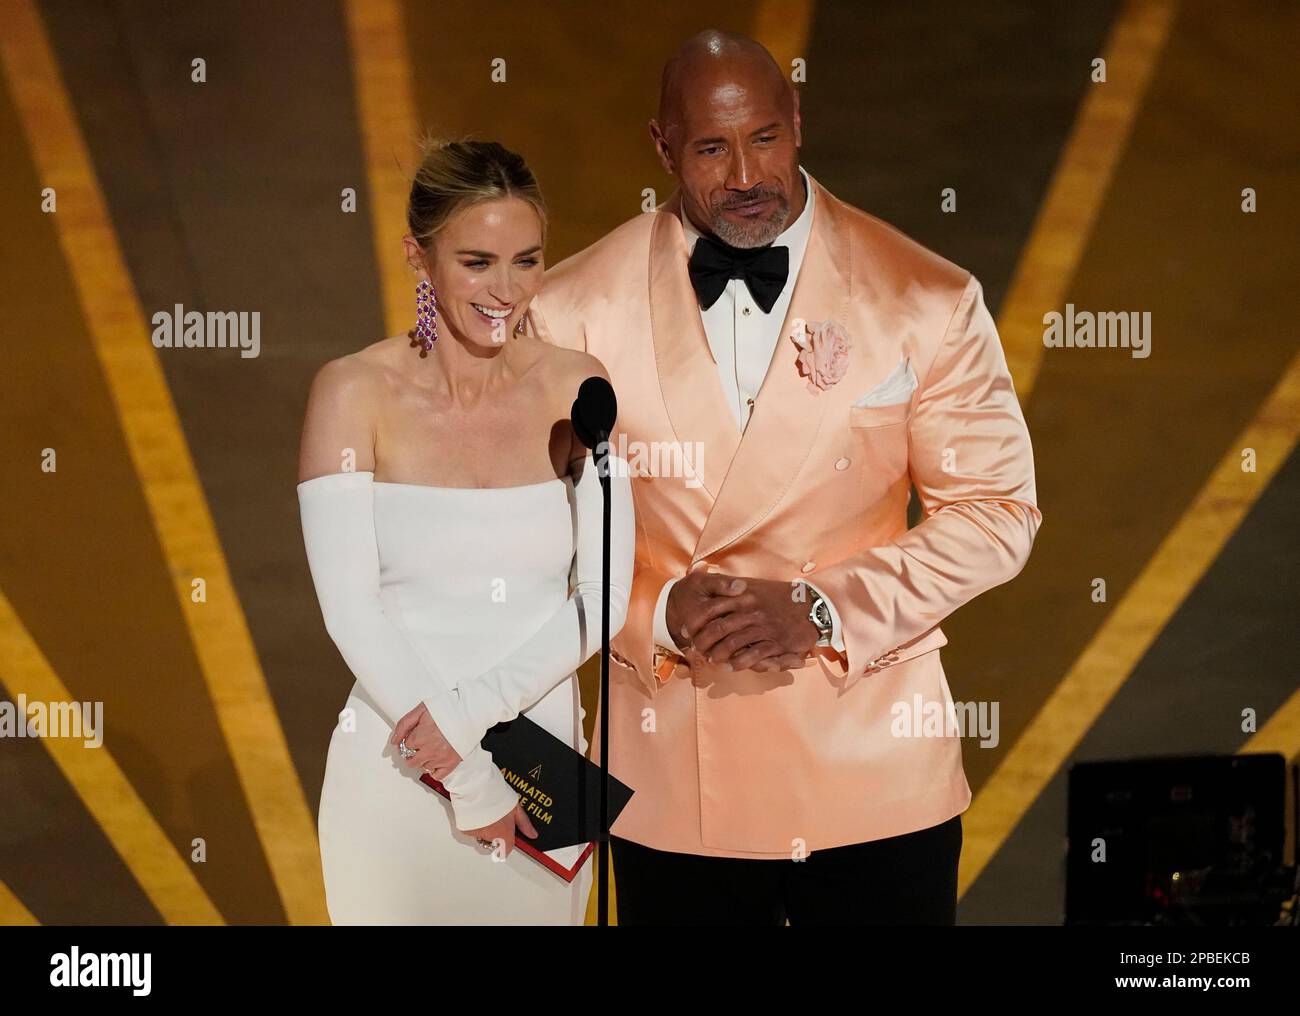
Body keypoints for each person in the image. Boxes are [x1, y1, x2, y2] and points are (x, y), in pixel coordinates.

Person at [526, 30, 1042, 924]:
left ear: (798, 122)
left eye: (765, 138)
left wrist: (819, 606)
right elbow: (527, 537)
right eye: (711, 149)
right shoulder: (569, 310)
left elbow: (997, 513)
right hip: (671, 783)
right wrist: (654, 611)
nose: (746, 177)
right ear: (661, 146)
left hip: (875, 778)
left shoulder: (925, 295)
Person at [296, 138, 634, 924]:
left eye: (527, 260)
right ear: (419, 257)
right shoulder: (352, 393)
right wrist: (467, 777)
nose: (505, 289)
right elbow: (351, 610)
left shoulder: (577, 387)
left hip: (538, 777)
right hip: (397, 767)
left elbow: (604, 594)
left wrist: (468, 727)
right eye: (477, 261)